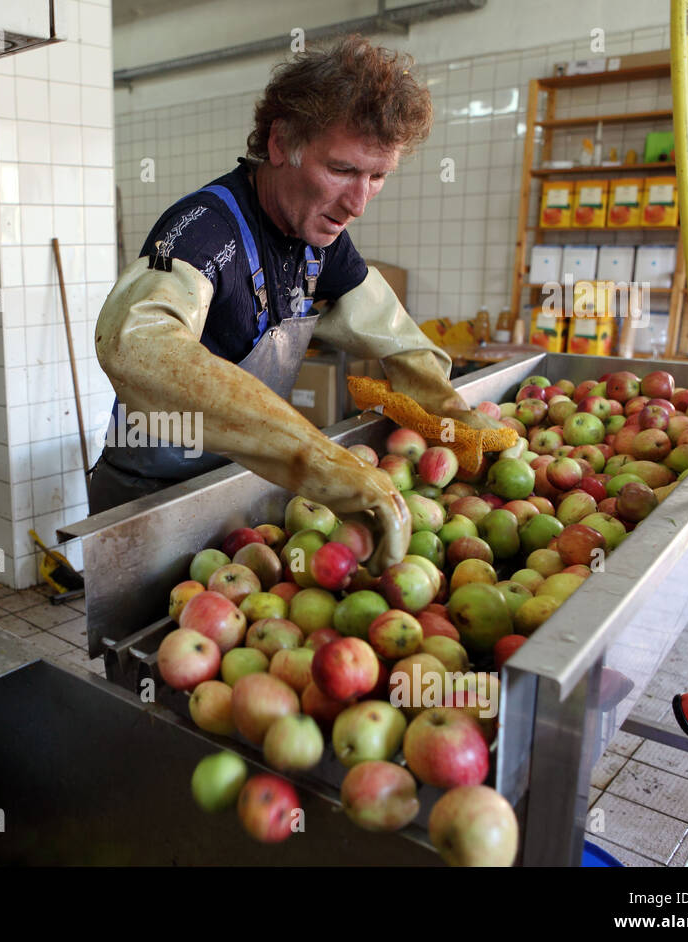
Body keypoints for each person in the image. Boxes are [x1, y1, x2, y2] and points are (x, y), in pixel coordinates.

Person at [90, 35, 499, 570]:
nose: (358, 204)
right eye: (342, 170)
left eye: (377, 177)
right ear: (281, 143)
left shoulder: (320, 237)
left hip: (237, 492)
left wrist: (452, 415)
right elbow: (137, 348)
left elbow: (393, 336)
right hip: (154, 501)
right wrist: (325, 465)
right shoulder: (203, 234)